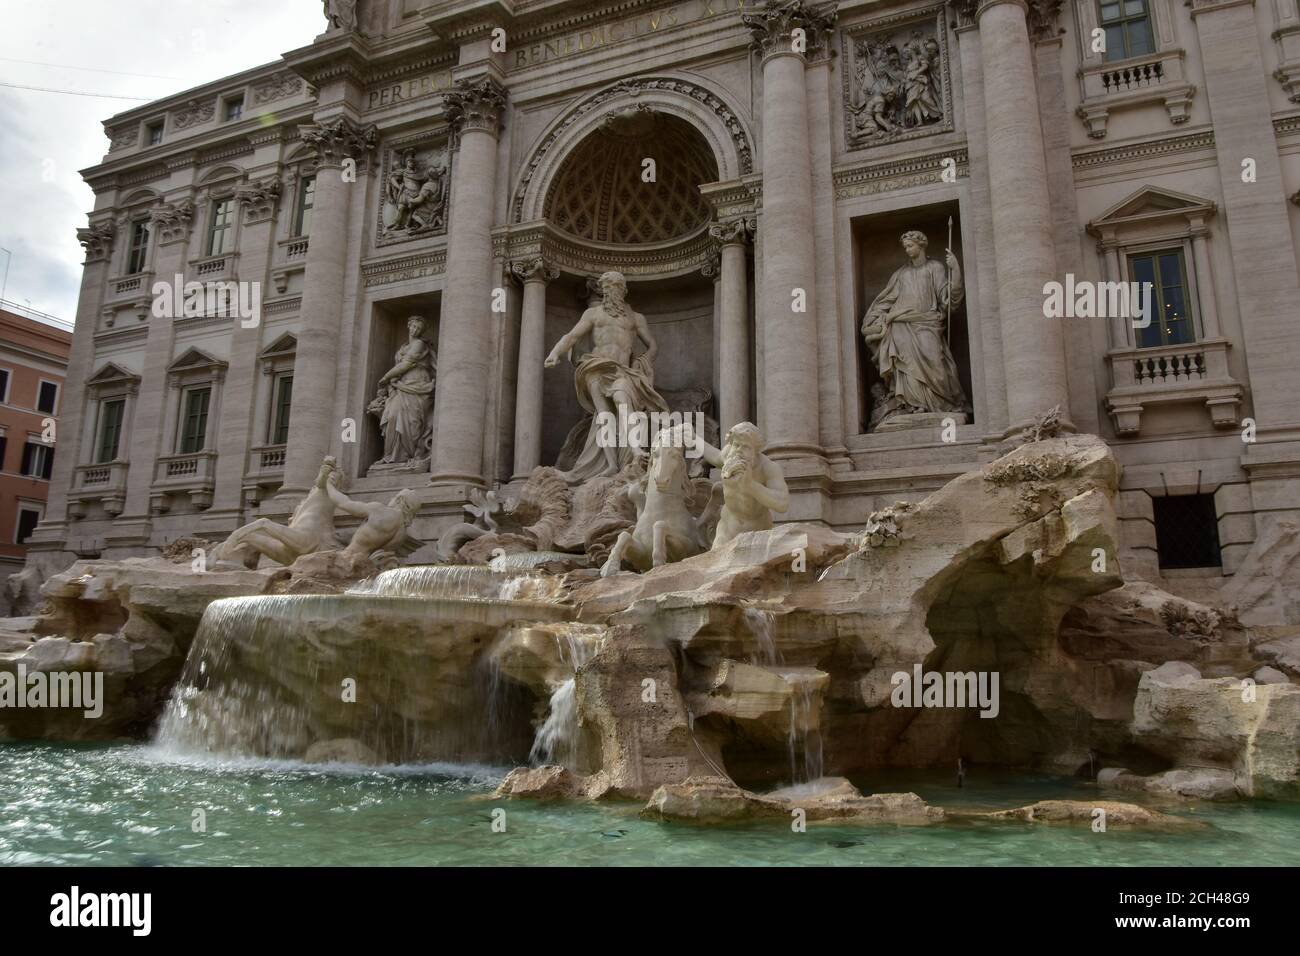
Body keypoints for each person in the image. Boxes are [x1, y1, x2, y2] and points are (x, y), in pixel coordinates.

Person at [861, 230, 966, 422]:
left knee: (936, 362)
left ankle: (944, 404)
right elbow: (886, 300)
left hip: (928, 323)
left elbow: (947, 299)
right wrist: (875, 318)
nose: (908, 250)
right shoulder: (901, 274)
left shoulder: (935, 268)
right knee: (906, 367)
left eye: (910, 246)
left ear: (921, 245)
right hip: (901, 325)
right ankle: (914, 405)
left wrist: (956, 270)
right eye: (905, 247)